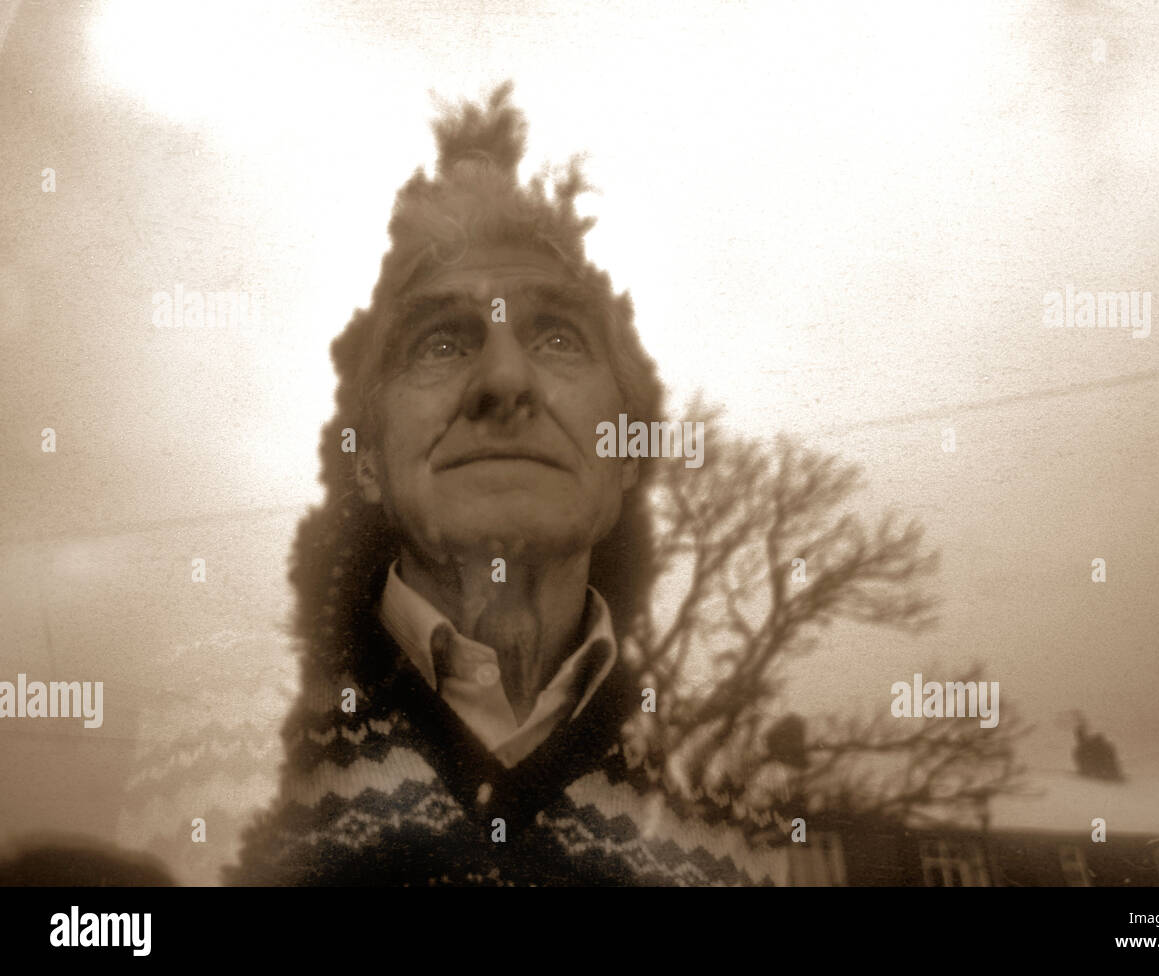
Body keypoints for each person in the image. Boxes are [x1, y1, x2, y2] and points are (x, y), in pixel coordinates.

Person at [227, 84, 786, 885]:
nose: (503, 379)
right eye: (441, 342)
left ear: (626, 451)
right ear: (368, 457)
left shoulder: (738, 810)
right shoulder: (223, 753)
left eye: (558, 337)